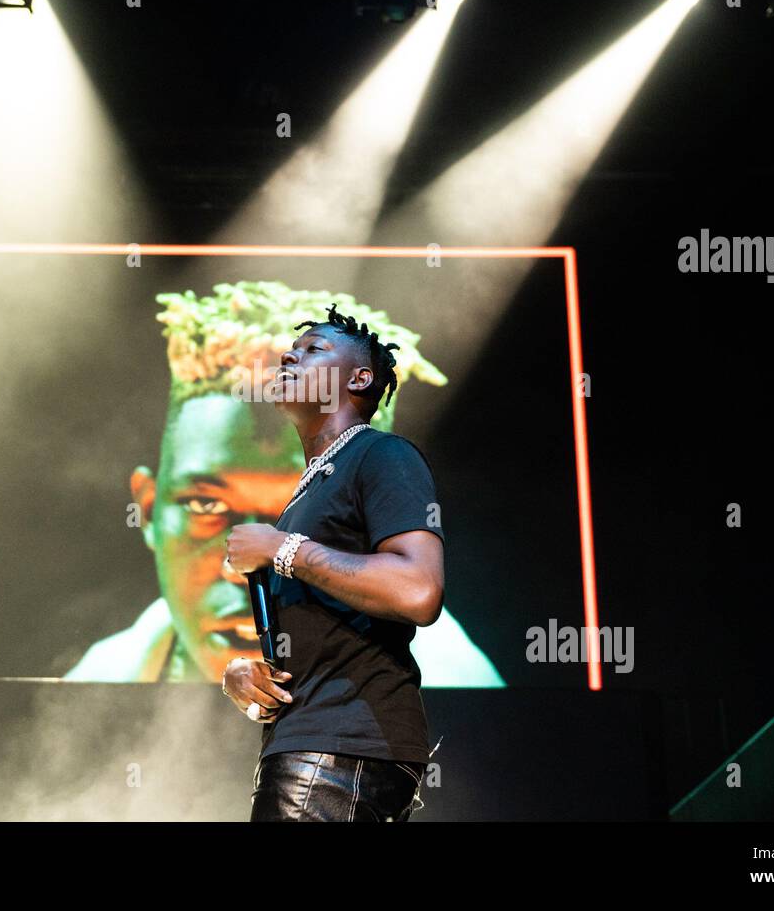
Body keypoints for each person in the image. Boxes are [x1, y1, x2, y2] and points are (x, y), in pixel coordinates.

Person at [61, 281, 504, 691]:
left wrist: (281, 548)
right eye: (203, 505)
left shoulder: (459, 683)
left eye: (294, 511)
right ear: (149, 508)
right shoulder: (98, 683)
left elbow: (419, 592)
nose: (241, 568)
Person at [221, 299, 445, 821]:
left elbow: (418, 589)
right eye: (289, 350)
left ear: (360, 377)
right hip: (310, 743)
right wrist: (243, 674)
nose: (288, 358)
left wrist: (282, 549)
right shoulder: (312, 489)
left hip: (345, 747)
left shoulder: (381, 455)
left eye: (312, 349)